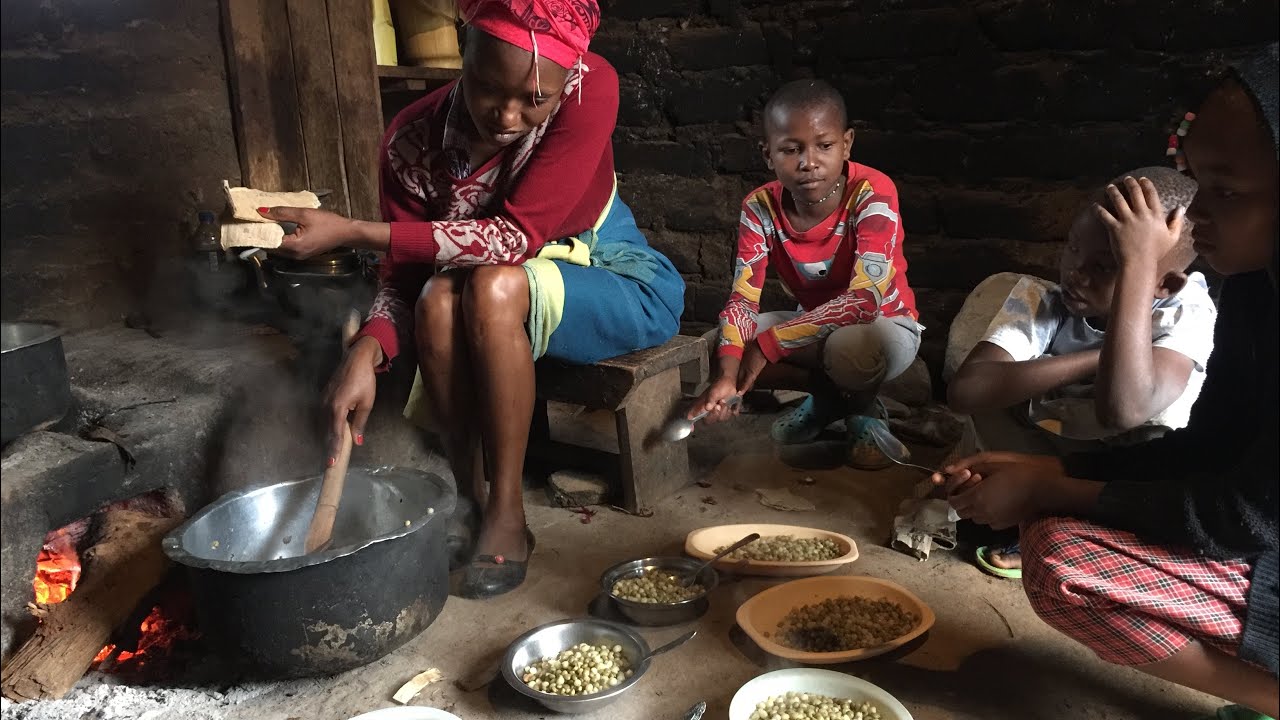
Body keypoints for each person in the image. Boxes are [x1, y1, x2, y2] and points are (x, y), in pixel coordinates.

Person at [258, 0, 684, 599]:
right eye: (488, 88)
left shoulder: (593, 88)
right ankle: (473, 497)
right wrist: (366, 353)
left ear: (568, 78)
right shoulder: (411, 143)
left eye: (534, 99)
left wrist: (354, 230)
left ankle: (509, 510)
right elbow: (406, 276)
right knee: (436, 297)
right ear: (464, 49)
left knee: (490, 282)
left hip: (611, 270)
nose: (507, 115)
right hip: (490, 286)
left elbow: (512, 241)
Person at [935, 43, 1279, 719]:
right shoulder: (1255, 293)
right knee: (1055, 534)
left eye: (1228, 191)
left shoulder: (1200, 301)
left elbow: (1242, 516)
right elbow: (1211, 450)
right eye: (1197, 181)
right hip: (1248, 526)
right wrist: (1050, 467)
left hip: (1260, 542)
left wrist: (1048, 484)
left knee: (1063, 558)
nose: (1200, 213)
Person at [947, 166, 1215, 578]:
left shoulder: (1186, 313)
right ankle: (1029, 508)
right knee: (994, 391)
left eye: (1107, 266)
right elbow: (967, 392)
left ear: (1166, 284)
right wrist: (1100, 356)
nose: (1075, 273)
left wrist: (1136, 268)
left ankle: (1079, 522)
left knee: (1159, 424)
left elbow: (1124, 411)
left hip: (1116, 466)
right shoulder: (1047, 300)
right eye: (1073, 247)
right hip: (1048, 447)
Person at [691, 79, 922, 469]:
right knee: (725, 344)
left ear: (846, 144)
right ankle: (830, 402)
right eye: (791, 149)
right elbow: (742, 300)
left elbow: (864, 303)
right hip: (813, 326)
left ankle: (863, 410)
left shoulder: (872, 192)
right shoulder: (759, 207)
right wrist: (726, 378)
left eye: (824, 146)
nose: (808, 162)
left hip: (885, 326)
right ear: (768, 154)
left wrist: (770, 344)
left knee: (846, 348)